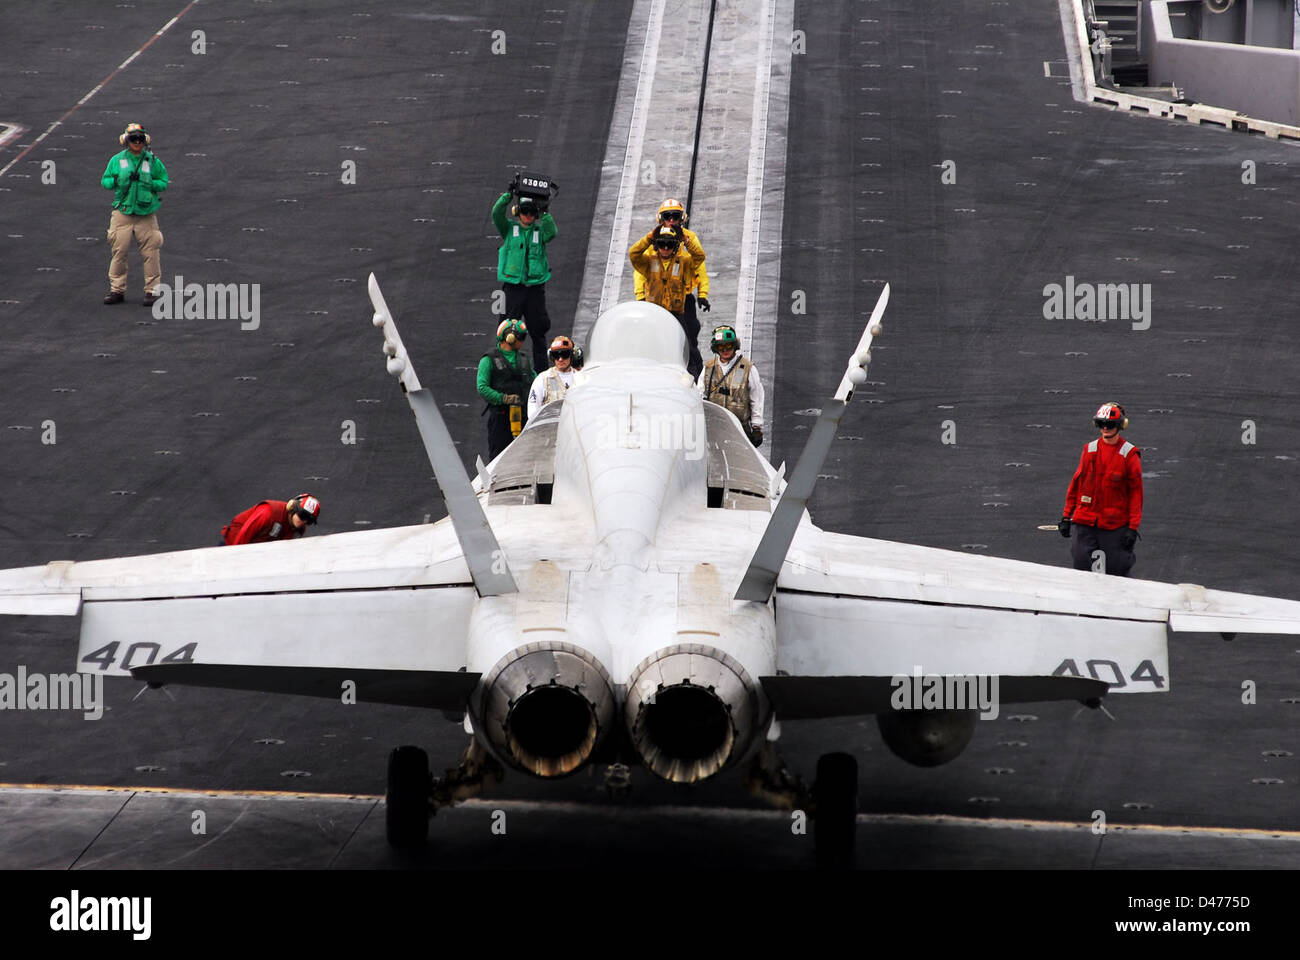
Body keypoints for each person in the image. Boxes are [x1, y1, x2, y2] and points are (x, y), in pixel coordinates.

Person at [1059, 402, 1143, 576]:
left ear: (1120, 425)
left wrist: (1133, 528)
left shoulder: (1129, 454)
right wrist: (1066, 516)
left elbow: (1136, 493)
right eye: (1101, 424)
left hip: (1114, 525)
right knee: (1081, 565)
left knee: (1117, 569)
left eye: (1110, 424)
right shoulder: (1089, 450)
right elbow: (1076, 484)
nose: (1105, 428)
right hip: (1086, 520)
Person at [634, 199, 710, 377]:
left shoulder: (689, 239)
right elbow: (639, 270)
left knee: (689, 342)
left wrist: (702, 293)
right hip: (655, 301)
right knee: (652, 342)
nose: (672, 220)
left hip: (682, 300)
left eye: (675, 216)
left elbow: (700, 265)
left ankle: (697, 381)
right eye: (667, 216)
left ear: (682, 218)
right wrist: (641, 297)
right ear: (661, 219)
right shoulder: (654, 239)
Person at [101, 123, 169, 306]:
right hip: (123, 212)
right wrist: (118, 180)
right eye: (133, 139)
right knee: (119, 252)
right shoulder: (116, 160)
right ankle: (117, 290)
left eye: (140, 139)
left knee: (151, 253)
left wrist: (149, 183)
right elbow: (105, 180)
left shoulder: (152, 161)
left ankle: (152, 291)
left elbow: (163, 181)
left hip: (145, 213)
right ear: (126, 141)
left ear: (145, 140)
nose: (137, 142)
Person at [492, 187, 556, 372]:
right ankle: (503, 371)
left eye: (531, 212)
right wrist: (507, 195)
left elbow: (552, 232)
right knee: (506, 330)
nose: (528, 215)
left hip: (535, 289)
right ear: (518, 212)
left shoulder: (540, 231)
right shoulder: (509, 230)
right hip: (513, 288)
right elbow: (496, 213)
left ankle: (541, 374)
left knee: (538, 331)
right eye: (524, 211)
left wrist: (545, 213)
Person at [477, 318, 535, 461]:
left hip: (524, 417)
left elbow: (535, 381)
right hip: (501, 418)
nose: (523, 341)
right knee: (498, 459)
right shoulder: (488, 360)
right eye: (522, 337)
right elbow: (482, 387)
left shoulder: (524, 358)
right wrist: (503, 398)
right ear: (511, 338)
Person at [698, 325, 765, 447]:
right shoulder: (708, 368)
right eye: (720, 346)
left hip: (740, 430)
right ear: (715, 348)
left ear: (735, 346)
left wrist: (756, 427)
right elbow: (699, 396)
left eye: (728, 345)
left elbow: (757, 398)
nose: (724, 350)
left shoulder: (747, 368)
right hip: (714, 430)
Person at [221, 494, 321, 545]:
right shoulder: (268, 513)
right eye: (303, 516)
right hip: (232, 545)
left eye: (309, 521)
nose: (304, 522)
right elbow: (244, 535)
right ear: (292, 507)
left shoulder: (299, 530)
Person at [527, 335, 581, 419]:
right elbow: (532, 411)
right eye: (556, 355)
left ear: (572, 355)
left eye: (564, 354)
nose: (560, 359)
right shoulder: (543, 379)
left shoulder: (580, 378)